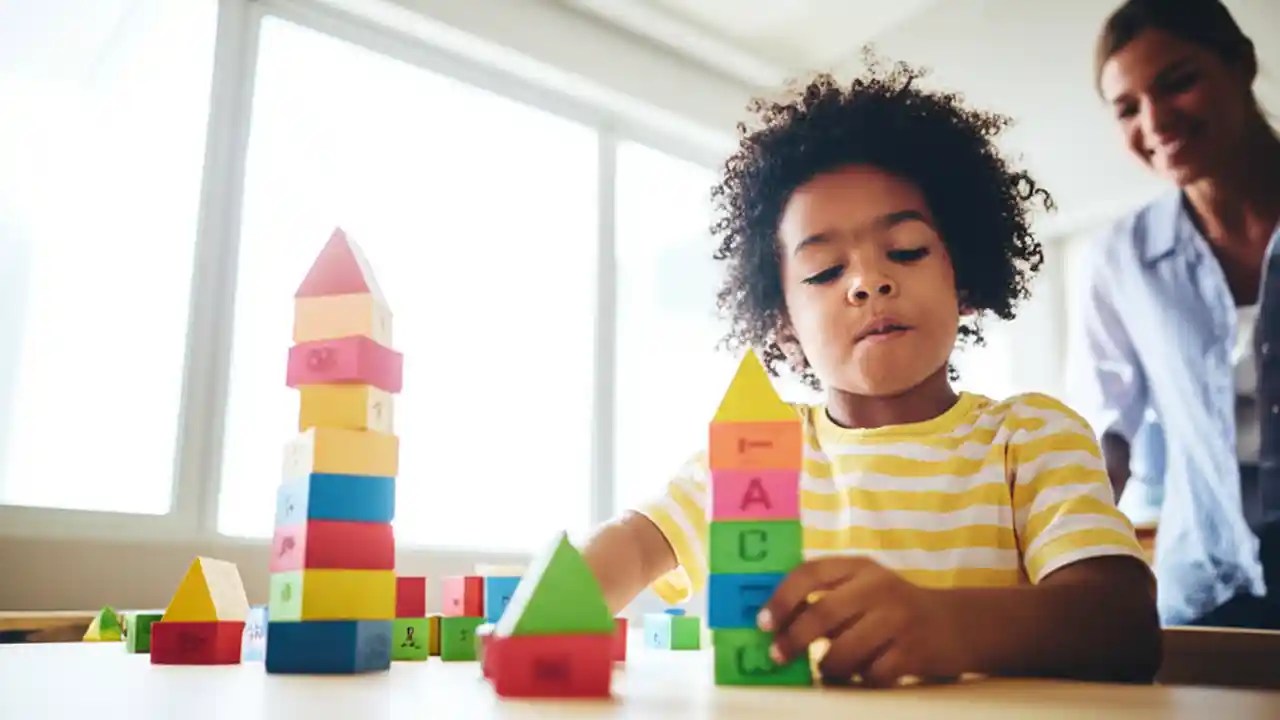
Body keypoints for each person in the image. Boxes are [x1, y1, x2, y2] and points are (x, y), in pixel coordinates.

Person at [580, 55, 1161, 687]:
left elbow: (1123, 626)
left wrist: (952, 625)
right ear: (783, 323)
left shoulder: (1030, 438)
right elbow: (635, 544)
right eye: (825, 270)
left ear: (962, 276)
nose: (867, 281)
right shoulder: (753, 453)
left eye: (906, 250)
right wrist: (550, 610)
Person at [1072, 0, 1280, 629]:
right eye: (1127, 108)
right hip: (1207, 590)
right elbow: (1105, 434)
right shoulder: (1120, 259)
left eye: (1178, 82)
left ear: (1240, 63)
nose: (1156, 120)